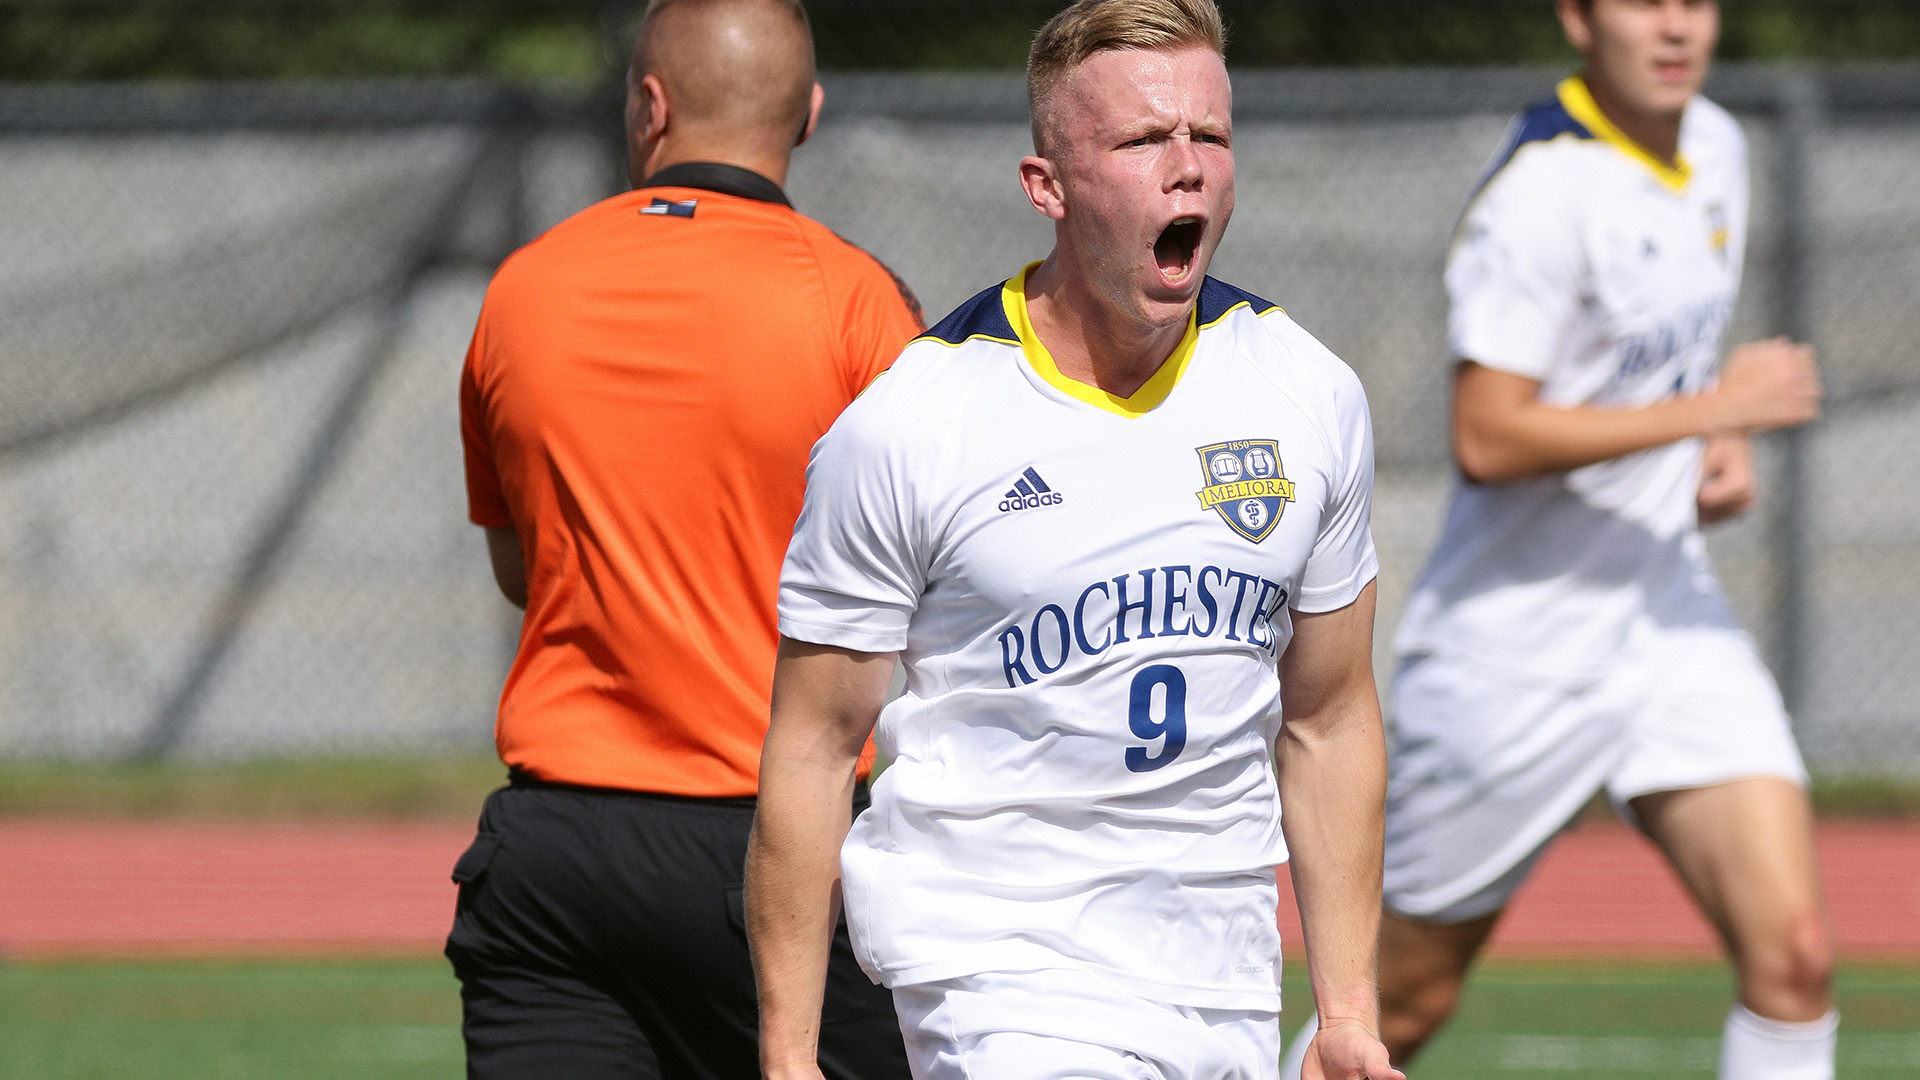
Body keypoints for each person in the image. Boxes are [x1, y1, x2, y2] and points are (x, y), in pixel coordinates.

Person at [745, 3, 1404, 1079]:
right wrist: (786, 1057)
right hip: (998, 967)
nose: (1186, 168)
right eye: (1144, 141)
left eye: (1212, 136)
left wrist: (1345, 1015)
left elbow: (1330, 719)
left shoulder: (1307, 392)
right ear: (1045, 185)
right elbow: (815, 746)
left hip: (1222, 980)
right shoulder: (916, 420)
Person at [1281, 1, 1835, 1077]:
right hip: (1516, 653)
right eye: (1641, 1)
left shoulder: (1716, 144)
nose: (1675, 26)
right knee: (1405, 998)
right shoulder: (1542, 190)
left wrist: (1710, 437)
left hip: (1670, 615)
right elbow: (1487, 433)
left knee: (1798, 958)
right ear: (1579, 19)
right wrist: (1712, 409)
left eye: (1695, 0)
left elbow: (1651, 377)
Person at [447, 1, 925, 1076]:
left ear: (649, 105)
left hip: (549, 862)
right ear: (808, 114)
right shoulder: (858, 305)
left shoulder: (522, 287)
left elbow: (523, 570)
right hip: (767, 845)